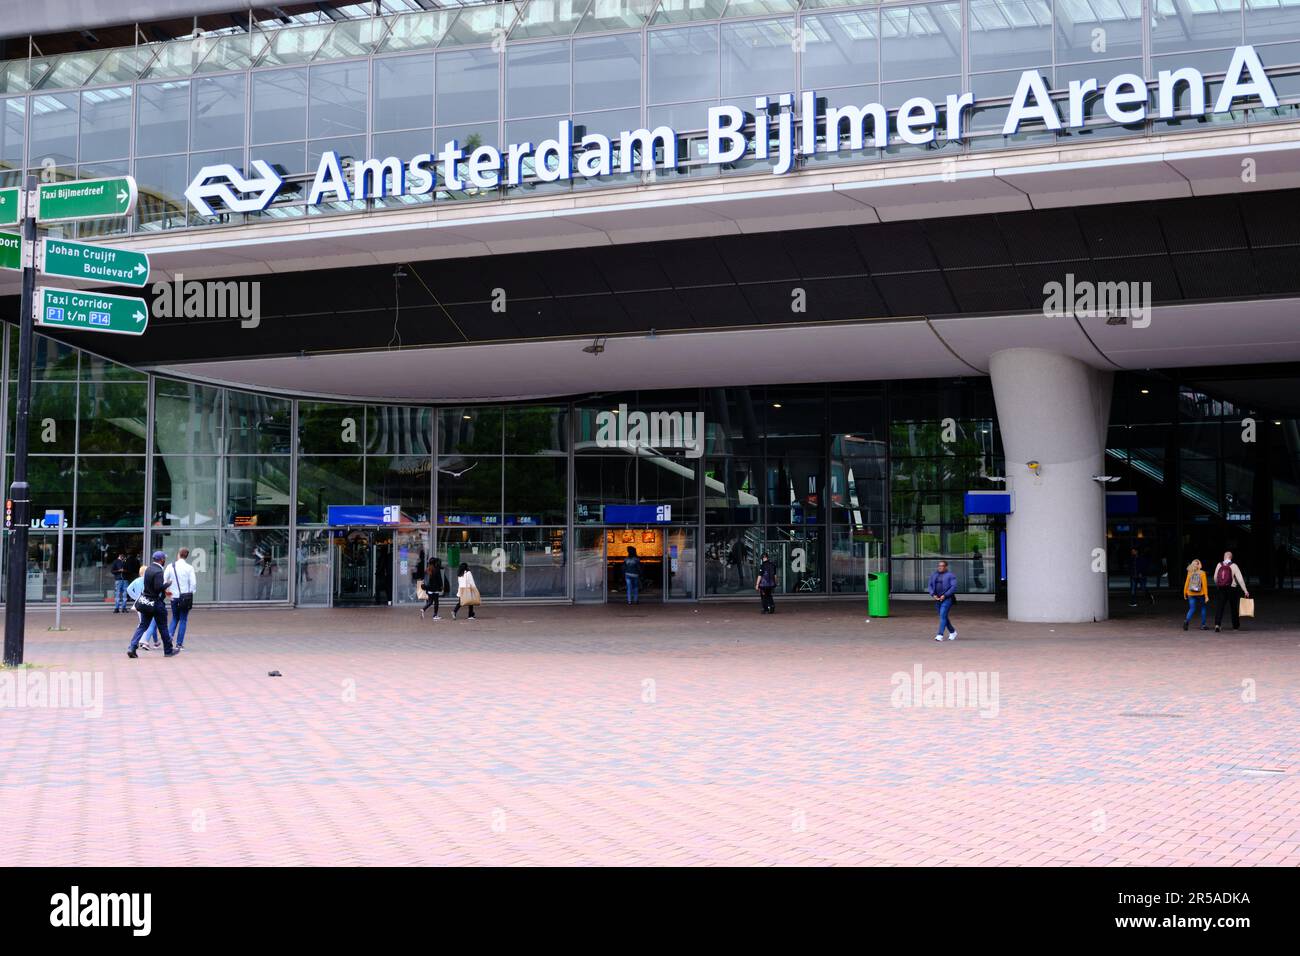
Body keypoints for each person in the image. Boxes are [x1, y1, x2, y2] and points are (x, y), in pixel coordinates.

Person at [128, 551, 176, 658]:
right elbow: (158, 587)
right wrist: (167, 584)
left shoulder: (149, 569)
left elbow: (148, 586)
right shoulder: (158, 571)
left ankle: (132, 647)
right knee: (163, 627)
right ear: (162, 560)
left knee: (143, 625)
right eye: (164, 559)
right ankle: (168, 650)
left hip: (146, 602)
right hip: (156, 603)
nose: (165, 561)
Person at [164, 547, 197, 649]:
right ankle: (179, 643)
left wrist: (167, 592)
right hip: (185, 597)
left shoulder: (171, 566)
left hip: (174, 597)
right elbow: (193, 583)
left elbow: (164, 580)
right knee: (183, 619)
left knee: (174, 618)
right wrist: (190, 592)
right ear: (186, 556)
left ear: (178, 554)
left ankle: (168, 639)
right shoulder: (189, 567)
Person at [1210, 551, 1250, 632]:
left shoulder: (1219, 564)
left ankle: (1217, 625)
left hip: (1221, 588)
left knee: (1220, 607)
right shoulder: (1234, 565)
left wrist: (1219, 584)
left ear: (1224, 557)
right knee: (1234, 608)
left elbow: (1215, 577)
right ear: (1231, 557)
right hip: (1232, 588)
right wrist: (1245, 590)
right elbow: (1240, 579)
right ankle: (1235, 626)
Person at [125, 565, 159, 650]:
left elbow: (128, 589)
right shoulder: (148, 580)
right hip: (147, 603)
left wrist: (135, 597)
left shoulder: (137, 580)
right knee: (146, 623)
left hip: (138, 603)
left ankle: (146, 640)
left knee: (143, 622)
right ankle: (143, 641)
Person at [928, 559, 957, 642]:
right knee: (943, 616)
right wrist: (933, 594)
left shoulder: (951, 575)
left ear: (946, 567)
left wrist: (945, 595)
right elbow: (930, 585)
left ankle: (940, 635)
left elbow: (953, 587)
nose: (940, 567)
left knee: (943, 615)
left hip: (947, 599)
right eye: (939, 566)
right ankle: (952, 632)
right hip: (938, 599)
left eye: (942, 566)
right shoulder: (934, 575)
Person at [1182, 558, 1209, 631]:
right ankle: (1203, 625)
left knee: (1192, 608)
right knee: (1203, 607)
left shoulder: (1190, 572)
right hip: (1200, 593)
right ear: (1198, 565)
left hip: (1190, 593)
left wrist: (1185, 593)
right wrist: (1206, 596)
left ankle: (1186, 621)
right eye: (1200, 563)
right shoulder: (1202, 573)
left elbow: (1186, 583)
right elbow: (1204, 585)